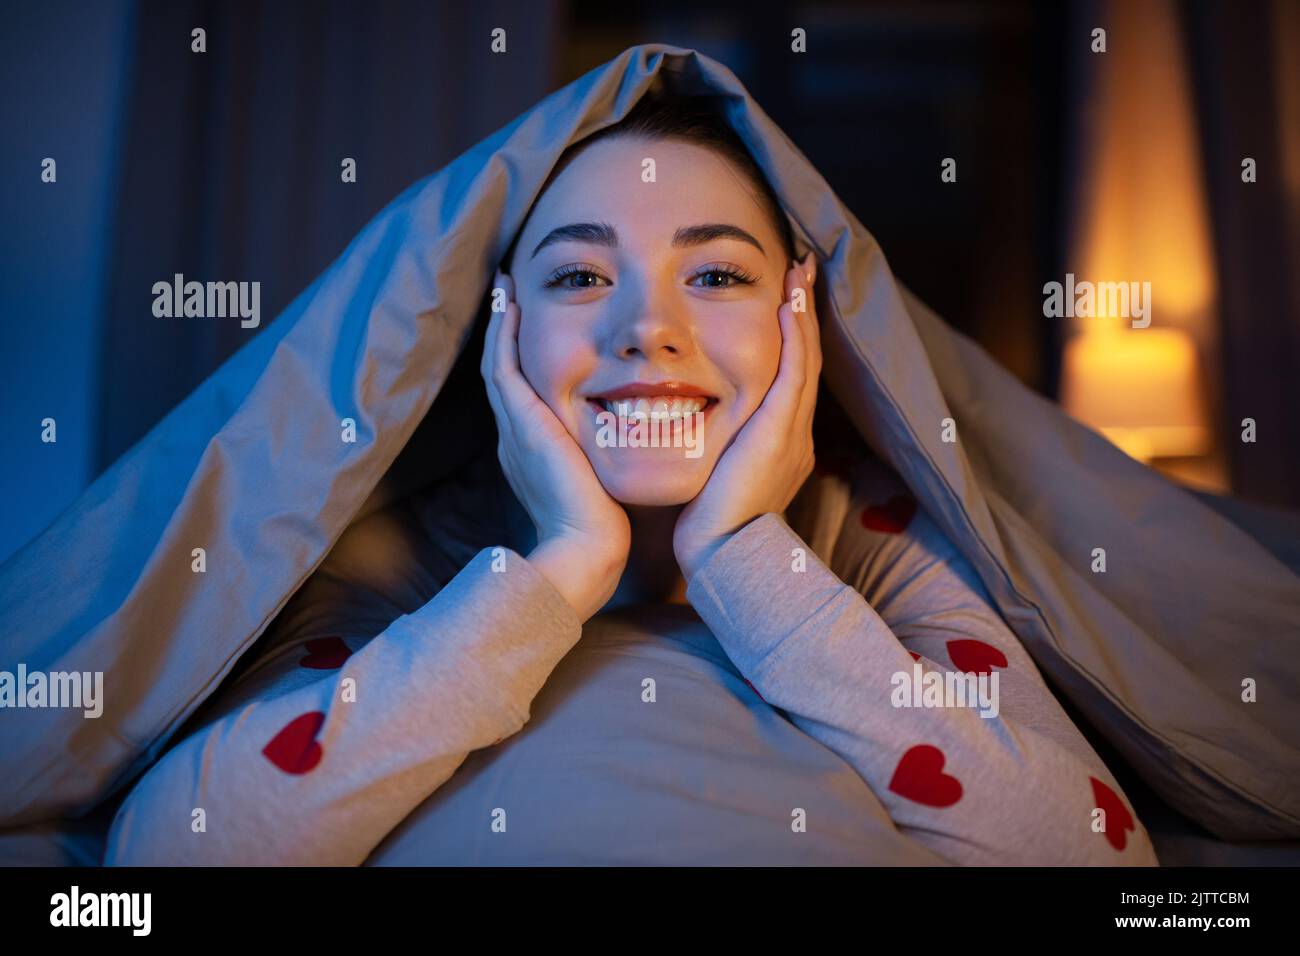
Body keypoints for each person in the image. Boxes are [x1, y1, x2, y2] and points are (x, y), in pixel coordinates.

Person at [104, 91, 1158, 867]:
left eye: (716, 274)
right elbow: (172, 855)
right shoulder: (400, 548)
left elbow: (1096, 857)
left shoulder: (872, 537)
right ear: (499, 323)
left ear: (801, 314)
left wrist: (742, 556)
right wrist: (564, 568)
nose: (647, 328)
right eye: (577, 276)